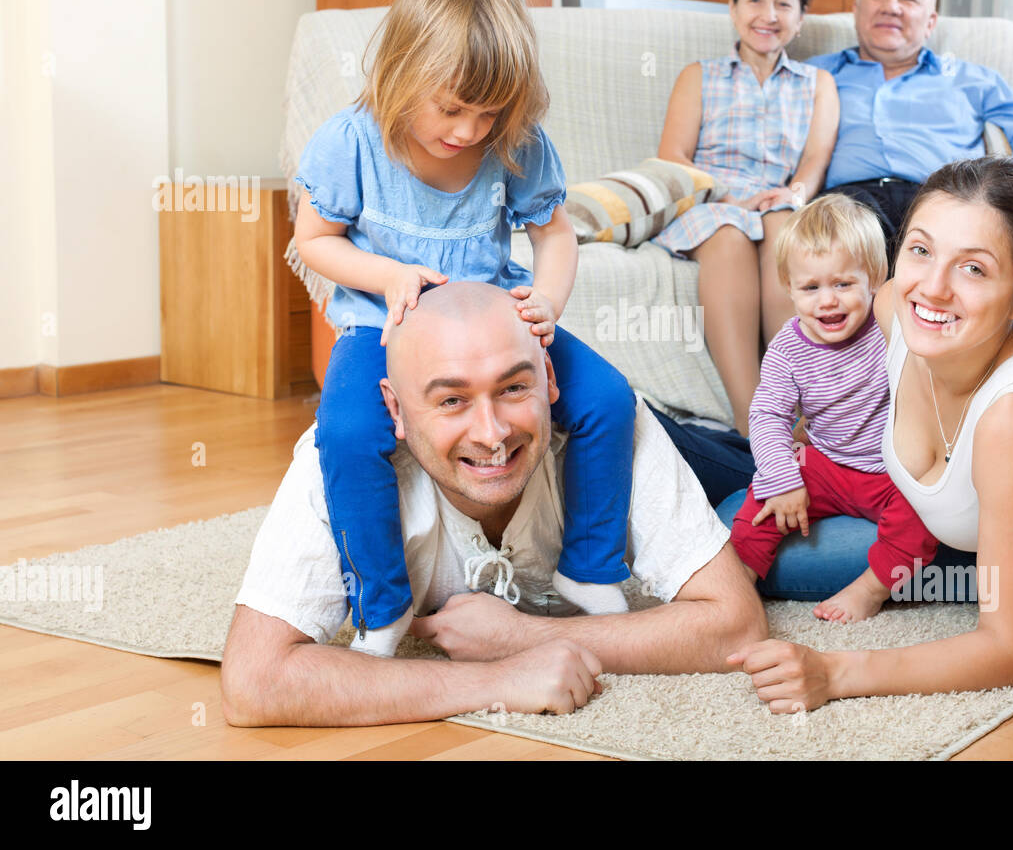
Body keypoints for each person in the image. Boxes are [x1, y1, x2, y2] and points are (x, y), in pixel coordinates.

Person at [220, 283, 768, 727]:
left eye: (512, 389)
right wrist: (498, 681)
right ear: (395, 409)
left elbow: (736, 626)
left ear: (548, 378)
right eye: (451, 400)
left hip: (699, 450)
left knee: (778, 479)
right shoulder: (344, 461)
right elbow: (254, 684)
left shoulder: (610, 428)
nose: (492, 434)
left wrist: (520, 639)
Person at [291, 0, 637, 657]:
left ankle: (589, 568)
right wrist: (387, 276)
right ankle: (382, 604)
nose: (471, 130)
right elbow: (313, 239)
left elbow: (555, 232)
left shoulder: (516, 142)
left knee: (608, 398)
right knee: (350, 435)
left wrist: (545, 301)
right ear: (399, 74)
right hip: (380, 326)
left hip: (492, 322)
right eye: (452, 109)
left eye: (491, 113)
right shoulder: (350, 140)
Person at [726, 156, 1013, 711]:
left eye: (973, 268)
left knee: (724, 530)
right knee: (747, 500)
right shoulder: (892, 306)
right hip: (873, 493)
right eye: (921, 251)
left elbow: (1007, 650)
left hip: (971, 551)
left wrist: (835, 673)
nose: (932, 289)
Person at [653, 0, 840, 435]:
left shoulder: (818, 84)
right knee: (732, 234)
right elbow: (673, 155)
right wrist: (730, 198)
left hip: (779, 201)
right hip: (710, 201)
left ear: (800, 19)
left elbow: (814, 160)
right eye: (755, 1)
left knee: (784, 231)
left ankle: (795, 410)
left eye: (783, 4)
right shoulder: (700, 76)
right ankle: (750, 418)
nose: (768, 16)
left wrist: (793, 195)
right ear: (733, 8)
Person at [729, 195, 937, 622]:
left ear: (876, 280)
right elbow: (768, 416)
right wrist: (783, 479)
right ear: (788, 288)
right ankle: (733, 590)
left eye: (843, 284)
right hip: (826, 462)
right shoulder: (788, 350)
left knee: (924, 515)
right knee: (758, 504)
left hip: (890, 470)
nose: (827, 301)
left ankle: (870, 590)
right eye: (810, 288)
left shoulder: (888, 326)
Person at [808, 0, 1013, 251]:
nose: (891, 7)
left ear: (930, 22)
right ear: (856, 11)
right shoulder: (813, 74)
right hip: (845, 207)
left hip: (940, 201)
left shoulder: (970, 78)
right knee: (846, 248)